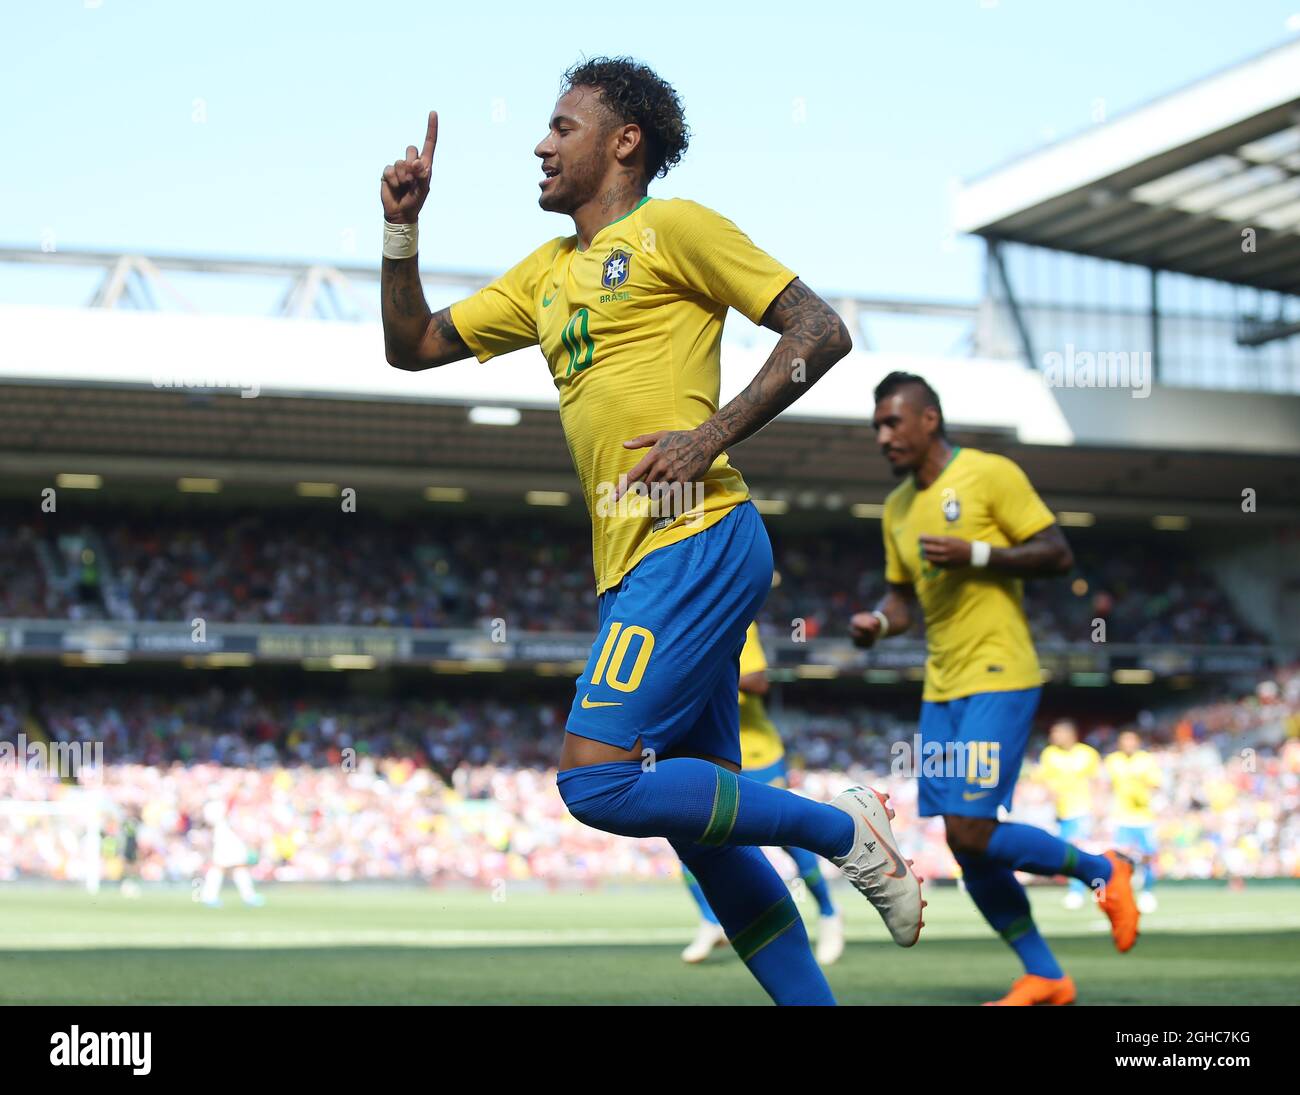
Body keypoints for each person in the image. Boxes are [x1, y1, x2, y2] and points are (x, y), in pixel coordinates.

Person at [380, 56, 922, 1005]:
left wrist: (708, 434)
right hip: (634, 562)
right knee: (706, 835)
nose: (540, 145)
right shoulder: (544, 275)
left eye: (562, 127)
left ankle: (843, 829)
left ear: (624, 142)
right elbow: (412, 345)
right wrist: (401, 227)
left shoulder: (673, 227)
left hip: (696, 532)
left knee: (596, 780)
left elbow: (819, 330)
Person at [850, 371, 1138, 1006]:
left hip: (999, 674)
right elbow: (902, 600)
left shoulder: (989, 473)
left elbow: (1057, 553)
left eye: (893, 422)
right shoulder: (897, 508)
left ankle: (1103, 869)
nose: (883, 436)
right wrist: (877, 622)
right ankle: (1047, 976)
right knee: (962, 842)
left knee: (974, 831)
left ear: (930, 419)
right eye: (877, 425)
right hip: (940, 687)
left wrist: (979, 555)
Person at [681, 622, 843, 966]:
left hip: (755, 755)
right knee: (688, 838)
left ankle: (829, 914)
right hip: (705, 754)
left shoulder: (733, 616)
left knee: (788, 838)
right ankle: (711, 921)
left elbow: (757, 680)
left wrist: (696, 673)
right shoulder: (674, 617)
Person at [1036, 719, 1102, 909]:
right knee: (1067, 856)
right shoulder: (1049, 754)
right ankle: (1092, 887)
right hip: (1059, 813)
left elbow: (1097, 781)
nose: (1052, 737)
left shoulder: (1087, 754)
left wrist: (1098, 807)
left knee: (1077, 852)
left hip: (1081, 809)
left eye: (1056, 733)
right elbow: (1043, 780)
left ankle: (1079, 892)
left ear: (1070, 734)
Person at [1106, 729, 1162, 913]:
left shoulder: (1146, 760)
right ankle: (1123, 893)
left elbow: (1156, 784)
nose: (1128, 744)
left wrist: (1143, 789)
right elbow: (1105, 785)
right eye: (1125, 741)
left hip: (1144, 817)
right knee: (1121, 858)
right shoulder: (1113, 761)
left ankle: (1147, 892)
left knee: (1147, 856)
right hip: (1122, 817)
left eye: (1132, 741)